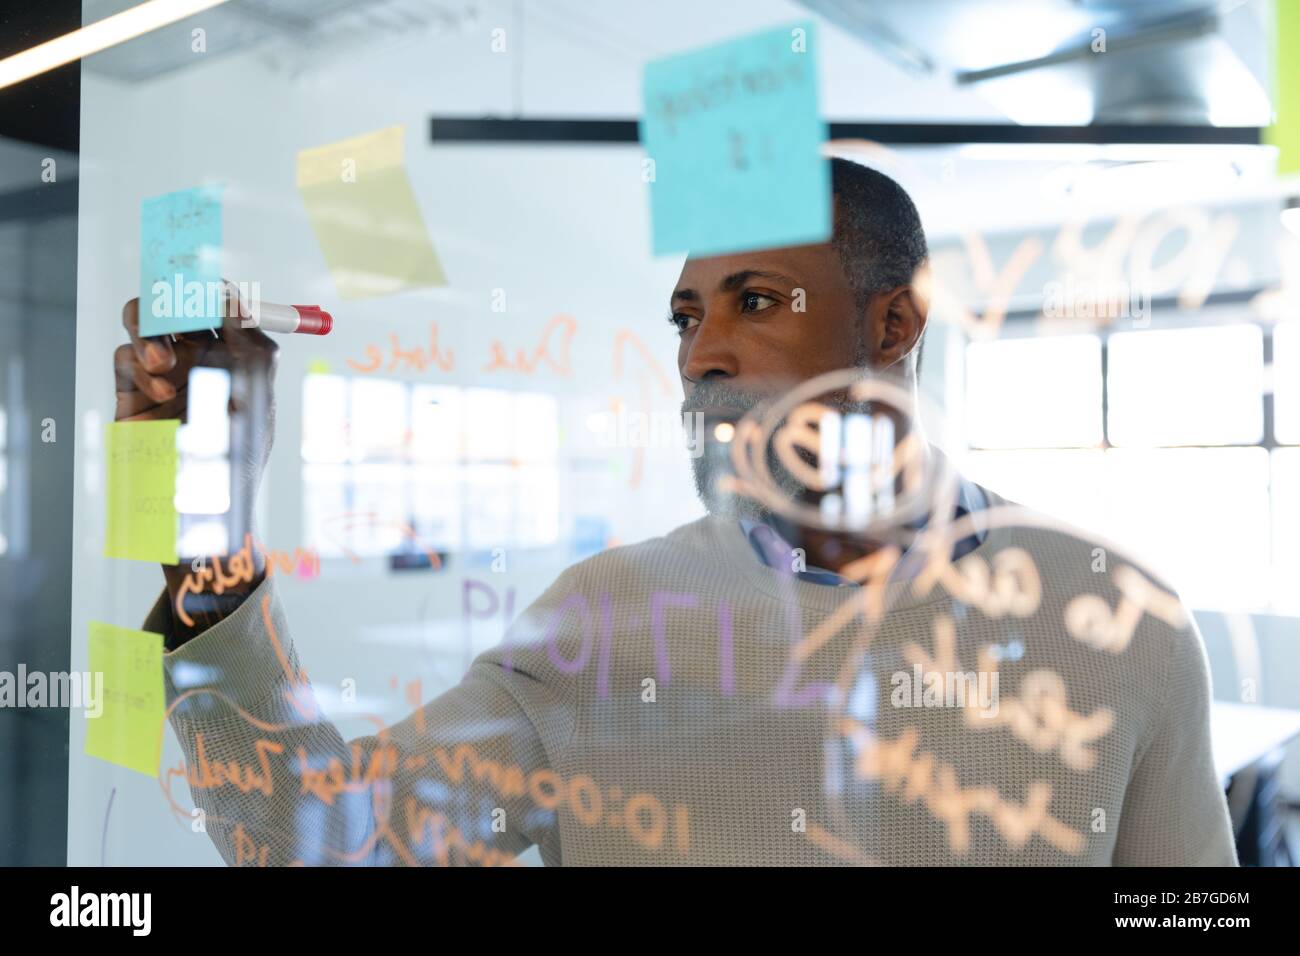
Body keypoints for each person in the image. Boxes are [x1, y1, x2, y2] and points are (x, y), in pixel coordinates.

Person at [113, 158, 1237, 866]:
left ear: (892, 324)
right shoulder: (601, 618)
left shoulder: (1118, 617)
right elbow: (314, 845)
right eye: (686, 316)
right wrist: (207, 532)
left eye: (755, 302)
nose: (702, 351)